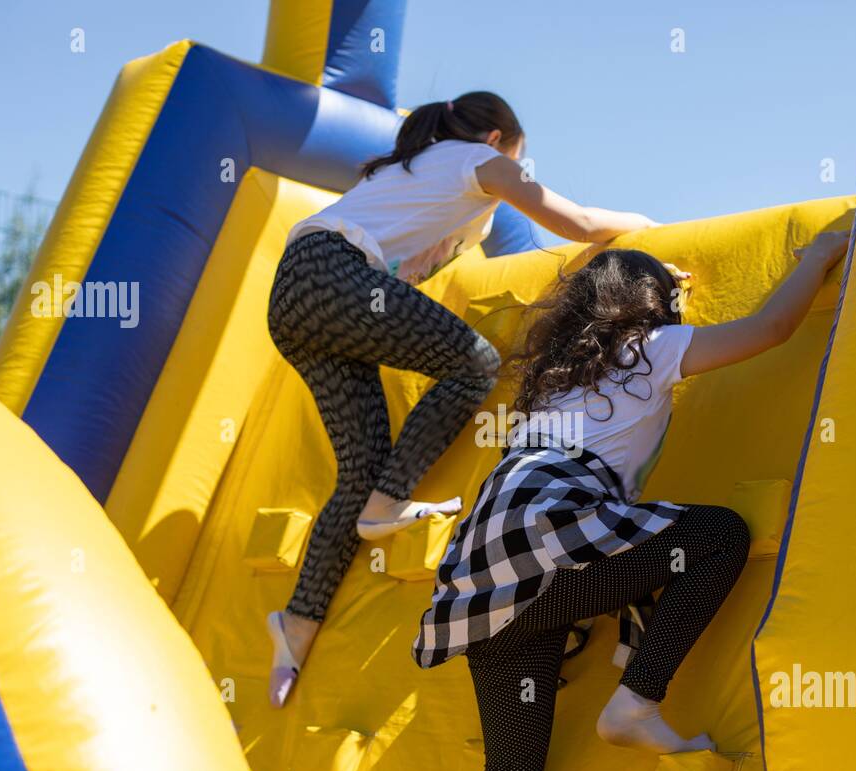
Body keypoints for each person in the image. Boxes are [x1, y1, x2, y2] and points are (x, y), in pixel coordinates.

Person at [415, 230, 851, 771]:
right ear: (650, 312)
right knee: (720, 536)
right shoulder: (646, 349)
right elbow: (774, 328)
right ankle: (637, 699)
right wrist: (816, 257)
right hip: (547, 535)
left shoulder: (552, 381)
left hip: (487, 572)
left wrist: (648, 282)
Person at [265, 91, 660, 708]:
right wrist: (647, 227)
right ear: (500, 140)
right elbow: (576, 224)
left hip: (296, 297)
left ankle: (295, 626)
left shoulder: (412, 167)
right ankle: (385, 504)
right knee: (473, 362)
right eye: (519, 155)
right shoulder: (473, 158)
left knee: (360, 469)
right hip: (331, 275)